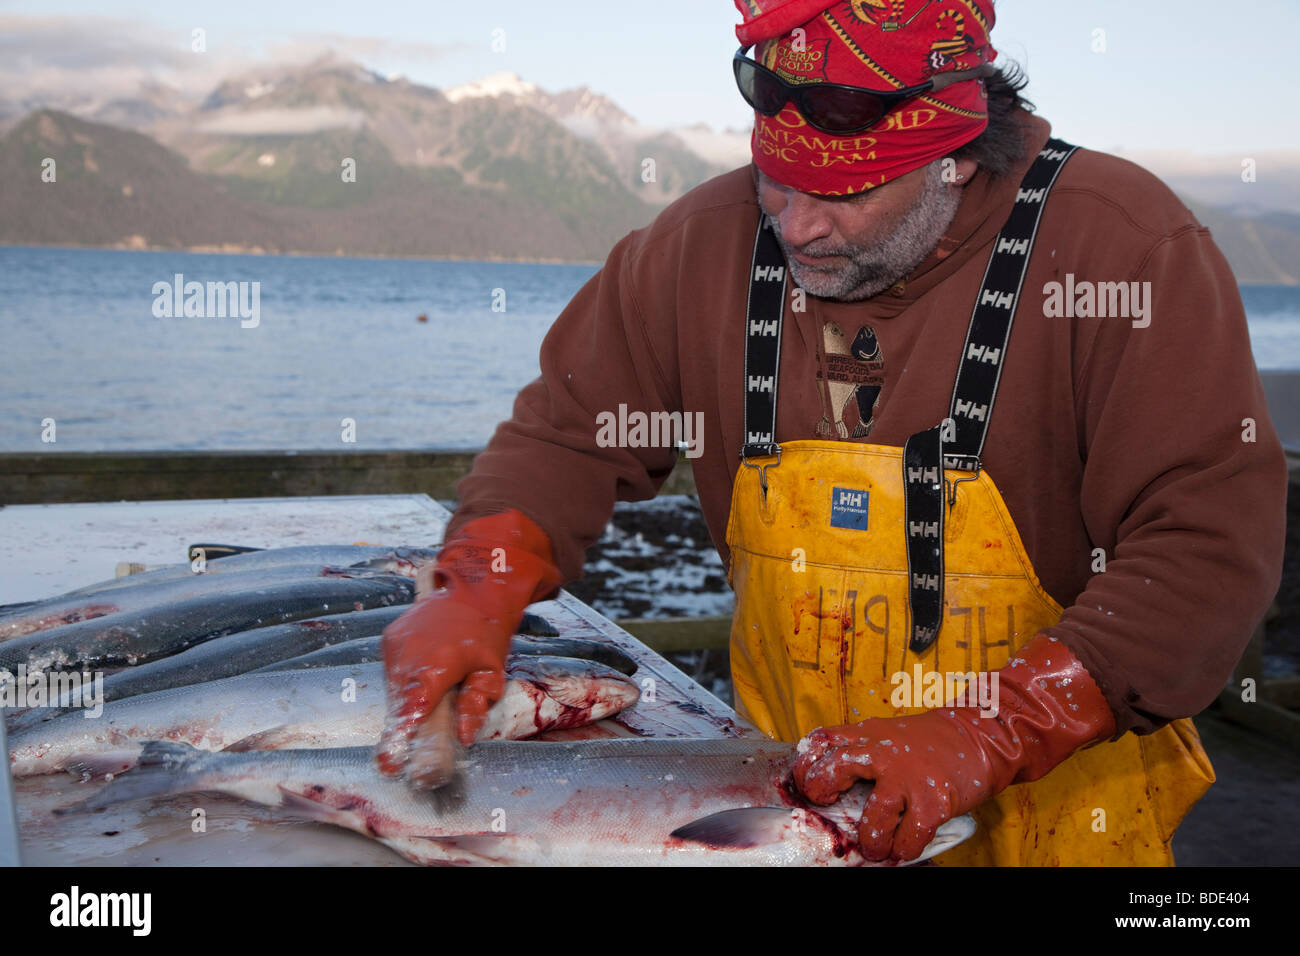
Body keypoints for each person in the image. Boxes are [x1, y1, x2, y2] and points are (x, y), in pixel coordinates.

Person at [377, 0, 1287, 865]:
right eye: (778, 181)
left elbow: (1205, 547)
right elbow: (568, 439)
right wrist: (479, 581)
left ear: (955, 157)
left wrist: (992, 728)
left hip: (1062, 824)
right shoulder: (698, 247)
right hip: (788, 821)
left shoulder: (1125, 250)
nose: (797, 225)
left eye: (844, 194)